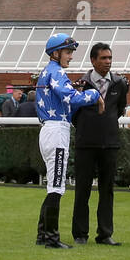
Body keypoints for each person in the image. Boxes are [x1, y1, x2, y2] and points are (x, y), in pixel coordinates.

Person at [35, 34, 101, 248]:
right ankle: (51, 239)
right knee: (56, 186)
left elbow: (66, 97)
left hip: (50, 129)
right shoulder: (56, 71)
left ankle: (43, 235)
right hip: (56, 131)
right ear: (56, 53)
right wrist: (94, 94)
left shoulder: (49, 72)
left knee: (53, 185)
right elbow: (71, 98)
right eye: (68, 52)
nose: (71, 56)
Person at [71, 42, 128, 246]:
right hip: (85, 144)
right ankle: (80, 234)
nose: (108, 62)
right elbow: (74, 115)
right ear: (93, 60)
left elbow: (119, 109)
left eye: (110, 58)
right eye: (103, 58)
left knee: (107, 190)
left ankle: (105, 234)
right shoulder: (81, 85)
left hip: (110, 144)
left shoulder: (120, 84)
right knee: (82, 189)